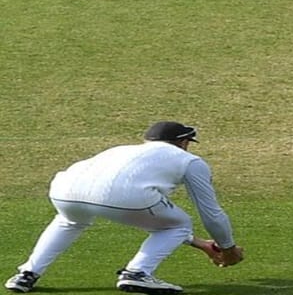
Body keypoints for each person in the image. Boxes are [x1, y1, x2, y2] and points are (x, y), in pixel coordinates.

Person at [4, 121, 243, 295]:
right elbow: (210, 212)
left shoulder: (120, 150)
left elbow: (149, 217)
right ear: (184, 142)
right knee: (180, 223)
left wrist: (200, 244)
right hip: (125, 196)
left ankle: (26, 275)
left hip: (64, 190)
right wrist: (228, 247)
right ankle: (137, 273)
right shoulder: (190, 161)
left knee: (70, 221)